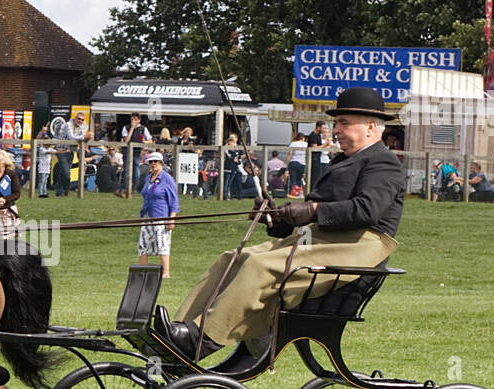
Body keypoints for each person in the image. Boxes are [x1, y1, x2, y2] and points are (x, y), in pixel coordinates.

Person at [157, 87, 405, 364]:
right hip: (320, 240)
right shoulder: (344, 161)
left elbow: (366, 210)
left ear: (371, 127)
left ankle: (200, 340)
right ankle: (181, 328)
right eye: (337, 123)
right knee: (234, 258)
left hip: (359, 247)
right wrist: (277, 217)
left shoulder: (383, 163)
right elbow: (308, 218)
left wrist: (310, 210)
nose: (336, 130)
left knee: (259, 266)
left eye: (344, 123)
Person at [137, 151, 179, 279]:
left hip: (162, 216)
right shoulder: (148, 178)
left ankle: (165, 272)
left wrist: (171, 219)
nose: (153, 164)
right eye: (151, 162)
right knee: (142, 243)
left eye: (155, 161)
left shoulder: (167, 178)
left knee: (162, 244)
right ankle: (142, 271)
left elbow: (174, 200)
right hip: (147, 215)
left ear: (161, 163)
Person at [52, 111, 83, 197]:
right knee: (66, 173)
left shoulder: (80, 128)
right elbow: (71, 137)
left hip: (70, 152)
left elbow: (81, 139)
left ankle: (61, 191)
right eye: (79, 118)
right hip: (61, 150)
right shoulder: (68, 125)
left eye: (82, 120)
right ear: (75, 118)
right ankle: (64, 190)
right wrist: (84, 138)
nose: (80, 121)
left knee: (64, 172)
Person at [34, 125, 56, 198]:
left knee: (45, 181)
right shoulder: (42, 148)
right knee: (42, 181)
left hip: (47, 167)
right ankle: (41, 193)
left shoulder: (49, 147)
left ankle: (44, 192)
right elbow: (40, 138)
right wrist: (44, 131)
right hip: (42, 167)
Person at [287, 130, 308, 194]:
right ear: (303, 138)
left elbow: (290, 153)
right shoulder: (306, 144)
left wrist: (287, 162)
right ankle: (298, 192)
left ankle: (291, 192)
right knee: (299, 179)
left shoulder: (293, 143)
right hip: (302, 163)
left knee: (292, 179)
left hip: (294, 161)